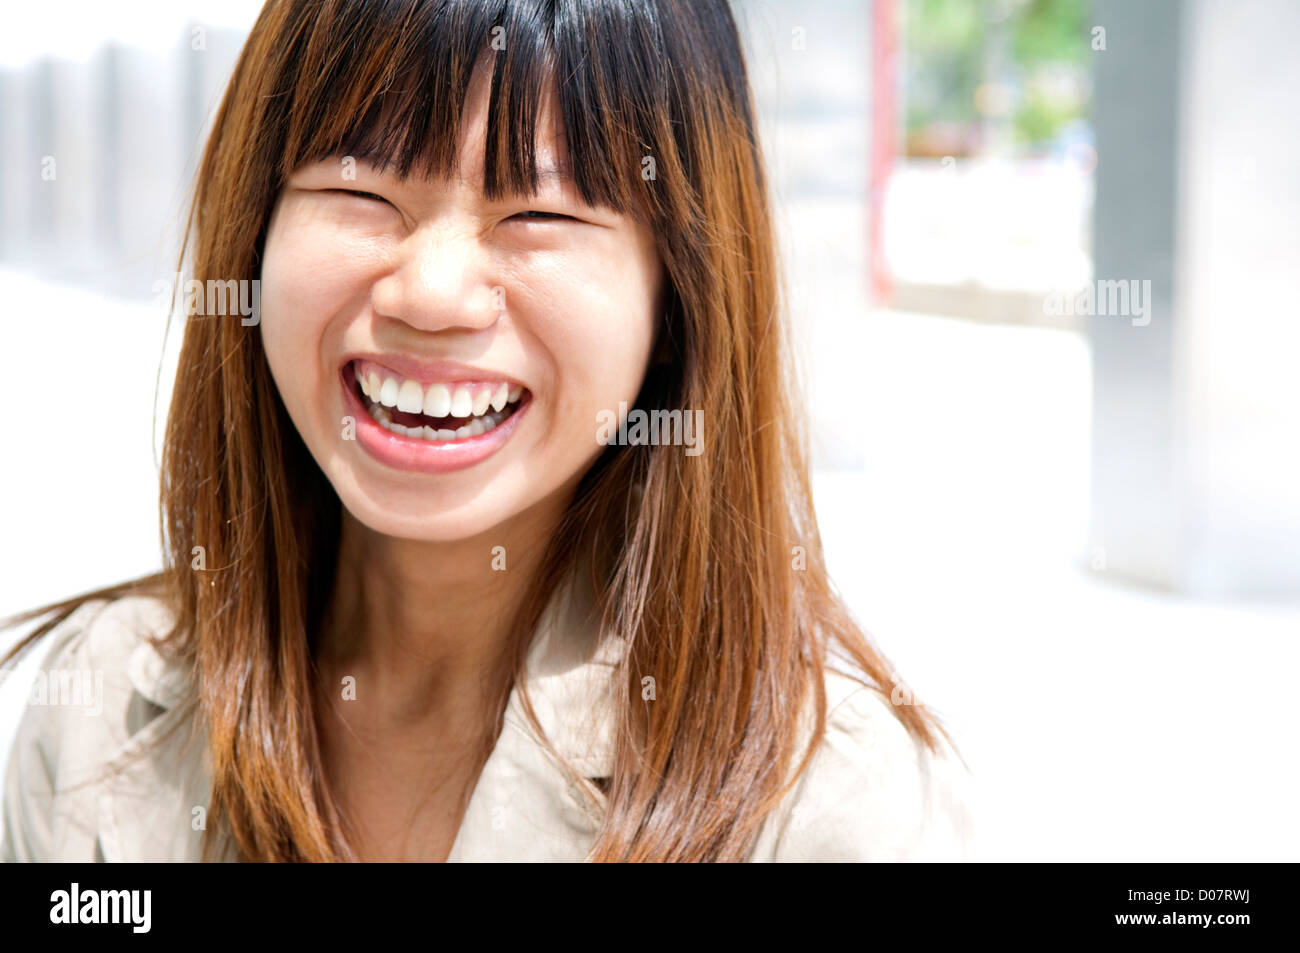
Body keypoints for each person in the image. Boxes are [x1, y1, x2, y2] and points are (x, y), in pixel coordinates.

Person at [0, 0, 973, 862]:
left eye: (538, 213)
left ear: (673, 296)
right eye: (360, 192)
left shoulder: (829, 805)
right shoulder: (99, 708)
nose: (431, 293)